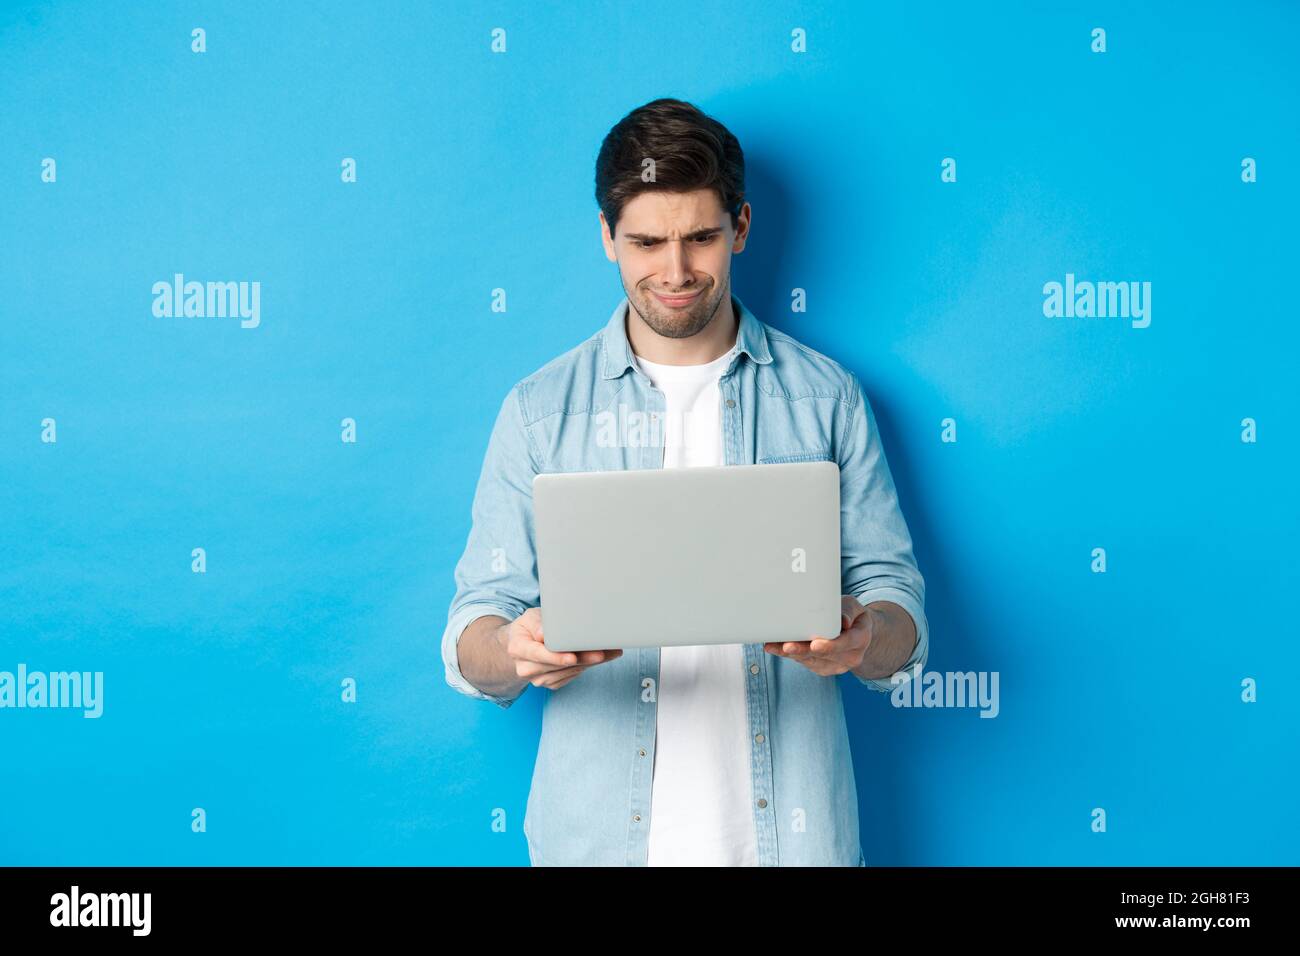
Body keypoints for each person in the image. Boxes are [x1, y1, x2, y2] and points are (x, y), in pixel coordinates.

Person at [441, 97, 929, 866]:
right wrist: (514, 646)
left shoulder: (828, 398)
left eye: (700, 237)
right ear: (607, 237)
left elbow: (897, 608)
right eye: (645, 241)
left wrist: (866, 637)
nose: (674, 272)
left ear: (740, 227)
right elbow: (473, 638)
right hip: (596, 845)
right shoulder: (539, 412)